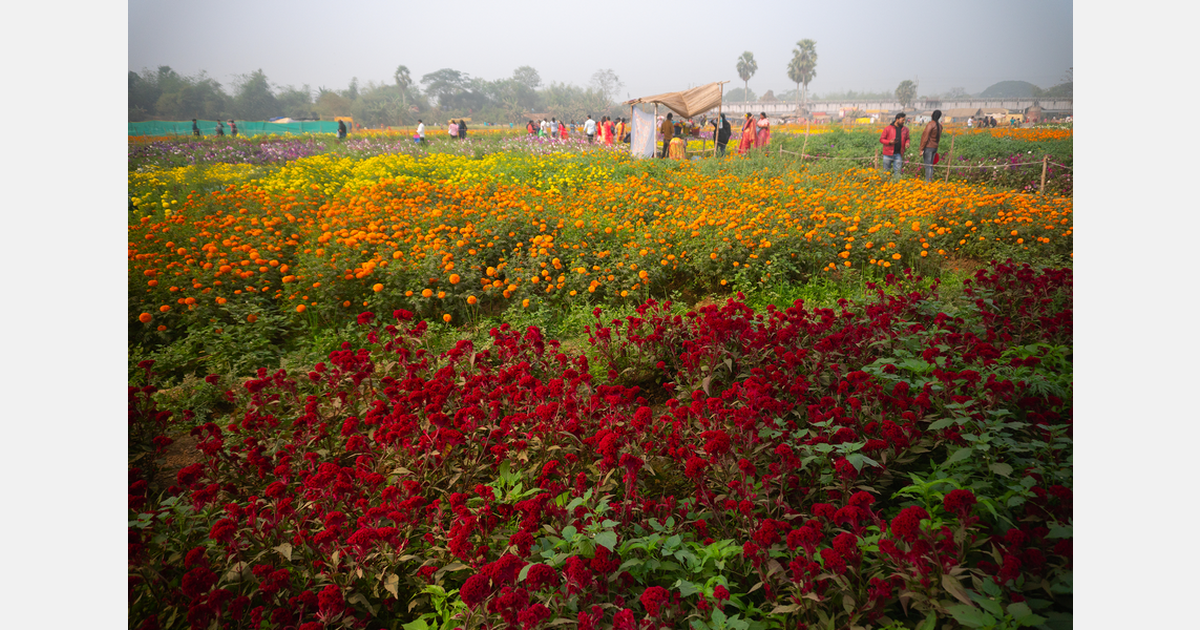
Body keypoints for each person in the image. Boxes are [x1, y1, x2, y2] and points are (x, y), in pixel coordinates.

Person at [879, 112, 910, 178]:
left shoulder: (905, 129)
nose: (904, 121)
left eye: (904, 120)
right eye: (902, 120)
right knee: (886, 171)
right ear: (897, 119)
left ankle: (896, 185)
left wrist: (907, 142)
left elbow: (907, 138)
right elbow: (881, 139)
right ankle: (885, 185)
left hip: (898, 153)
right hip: (888, 154)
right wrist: (889, 142)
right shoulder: (888, 128)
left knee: (898, 171)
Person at [919, 110, 943, 182]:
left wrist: (921, 149)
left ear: (932, 115)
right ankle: (930, 180)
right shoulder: (939, 126)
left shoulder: (930, 124)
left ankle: (928, 181)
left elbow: (925, 137)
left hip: (928, 147)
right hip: (935, 147)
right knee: (930, 165)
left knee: (928, 165)